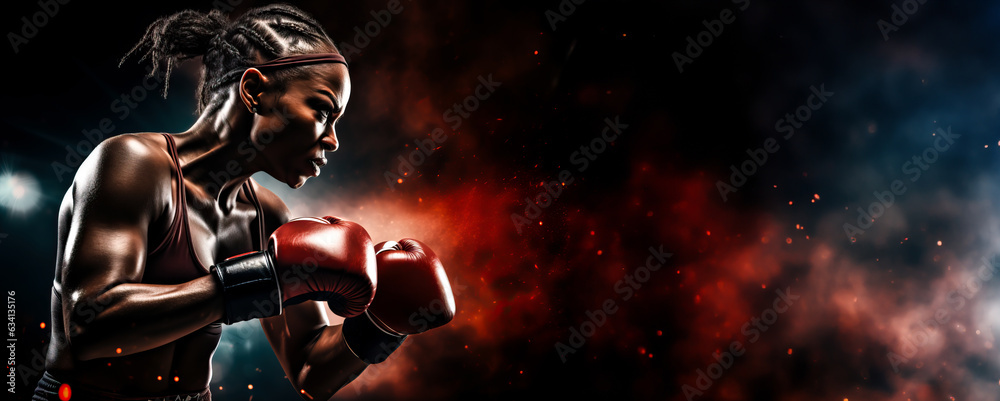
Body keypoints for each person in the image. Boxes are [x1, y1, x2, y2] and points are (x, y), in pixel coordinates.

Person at [31, 5, 455, 401]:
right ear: (254, 90)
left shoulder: (266, 217)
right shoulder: (133, 165)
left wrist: (381, 325)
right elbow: (89, 324)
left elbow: (310, 372)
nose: (332, 140)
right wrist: (261, 279)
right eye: (324, 112)